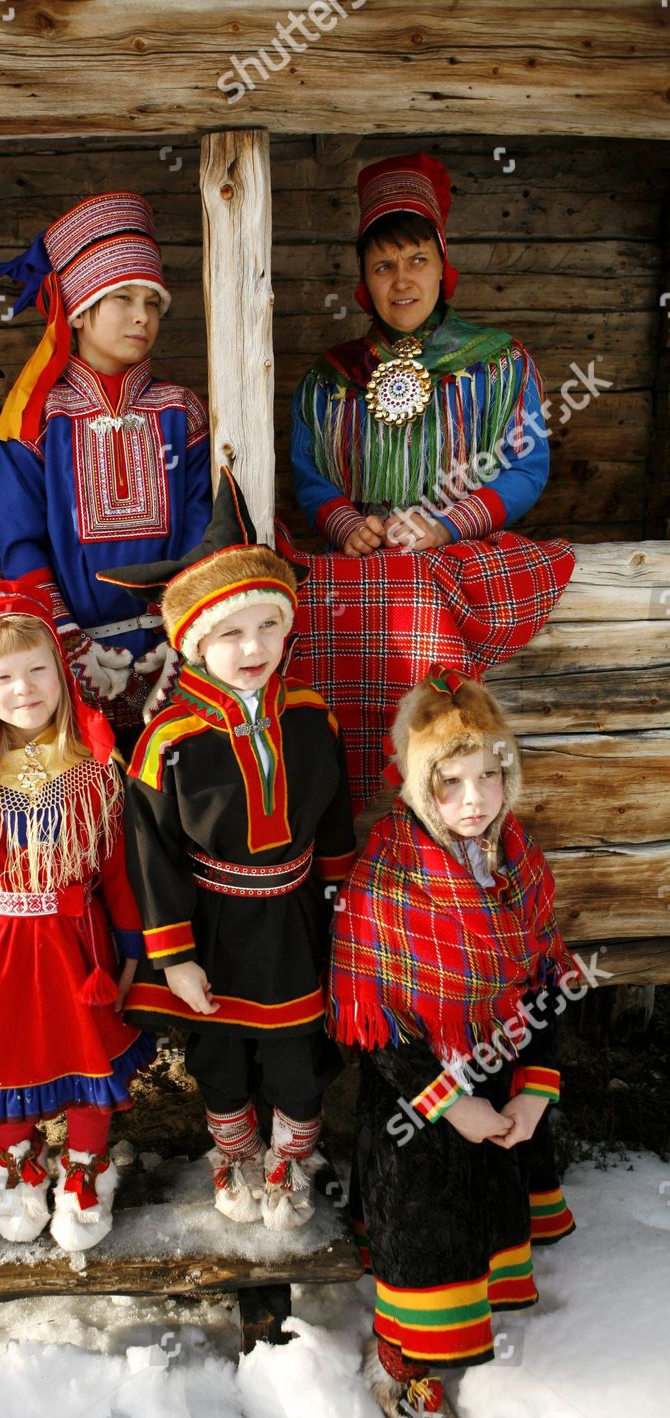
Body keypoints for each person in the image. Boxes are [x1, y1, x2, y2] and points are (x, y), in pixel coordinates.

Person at [330, 667, 576, 1418]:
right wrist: (451, 1104)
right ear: (414, 786)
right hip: (417, 1109)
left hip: (503, 1086)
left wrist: (533, 1090)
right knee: (426, 1239)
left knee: (488, 1220)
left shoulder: (519, 864)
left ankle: (471, 1328)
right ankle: (404, 1361)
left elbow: (549, 987)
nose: (475, 798)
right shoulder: (385, 879)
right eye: (451, 782)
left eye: (490, 774)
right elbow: (372, 1026)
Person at [108, 472, 357, 1229]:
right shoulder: (170, 742)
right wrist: (174, 955)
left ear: (289, 630)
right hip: (212, 920)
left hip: (296, 918)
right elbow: (150, 853)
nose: (253, 649)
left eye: (268, 628)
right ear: (192, 643)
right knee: (217, 1052)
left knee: (296, 1051)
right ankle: (235, 1153)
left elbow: (338, 821)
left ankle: (291, 1157)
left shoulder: (314, 717)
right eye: (229, 634)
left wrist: (341, 904)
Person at [0, 579, 154, 1251]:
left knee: (87, 1058)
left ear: (60, 670)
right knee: (3, 1060)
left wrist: (132, 948)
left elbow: (116, 870)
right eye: (4, 678)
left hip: (76, 947)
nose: (23, 688)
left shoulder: (95, 767)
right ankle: (17, 1166)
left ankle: (86, 1167)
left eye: (36, 670)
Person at [0, 192, 212, 742]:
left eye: (153, 303)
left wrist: (185, 634)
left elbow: (203, 522)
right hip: (73, 658)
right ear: (79, 310)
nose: (142, 316)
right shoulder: (38, 417)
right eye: (123, 298)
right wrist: (67, 641)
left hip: (176, 651)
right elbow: (18, 539)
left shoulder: (179, 408)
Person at [291, 153, 550, 555]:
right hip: (362, 568)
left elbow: (525, 467)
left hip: (462, 561)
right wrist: (350, 528)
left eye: (418, 260)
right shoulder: (328, 381)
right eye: (383, 267)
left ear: (442, 267)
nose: (401, 281)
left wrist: (446, 527)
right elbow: (310, 476)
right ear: (365, 280)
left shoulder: (501, 364)